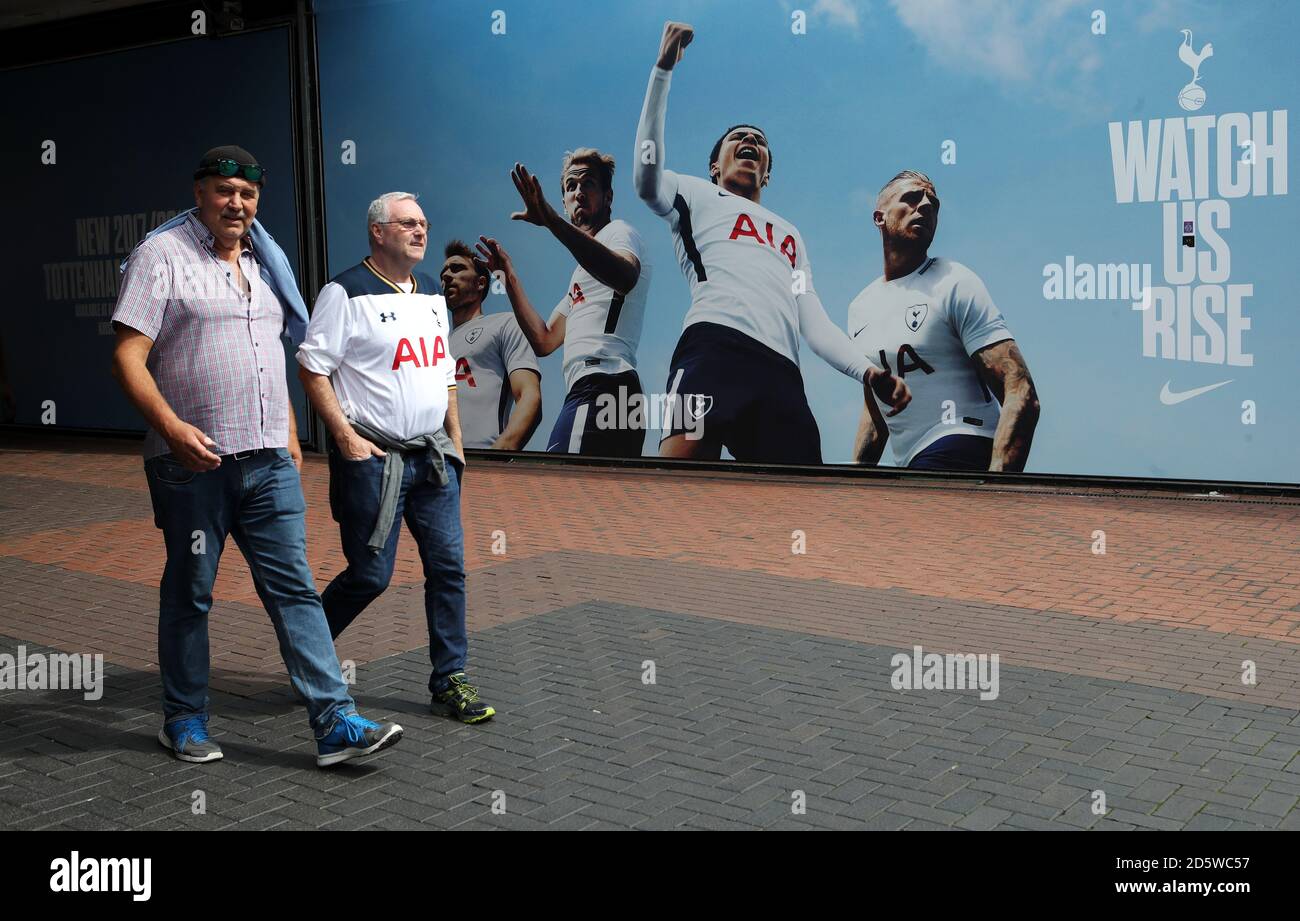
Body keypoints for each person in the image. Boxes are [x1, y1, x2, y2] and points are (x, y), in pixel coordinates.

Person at [111, 145, 402, 767]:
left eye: (246, 195)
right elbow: (128, 357)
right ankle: (184, 719)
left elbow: (273, 354)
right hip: (193, 462)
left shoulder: (267, 262)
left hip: (269, 460)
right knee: (192, 593)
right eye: (223, 191)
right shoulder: (160, 258)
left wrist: (292, 433)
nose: (235, 204)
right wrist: (171, 427)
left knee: (295, 588)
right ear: (199, 193)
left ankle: (335, 722)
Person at [633, 21, 911, 464]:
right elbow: (645, 179)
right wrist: (662, 70)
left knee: (800, 506)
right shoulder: (693, 193)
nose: (750, 141)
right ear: (713, 167)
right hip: (712, 348)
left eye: (759, 143)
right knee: (678, 491)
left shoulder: (790, 234)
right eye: (738, 138)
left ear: (767, 173)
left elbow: (813, 322)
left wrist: (868, 372)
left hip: (781, 372)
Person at [297, 193, 495, 724]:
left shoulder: (432, 291)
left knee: (449, 568)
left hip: (432, 461)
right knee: (370, 576)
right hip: (373, 461)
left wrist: (453, 440)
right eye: (407, 223)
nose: (419, 231)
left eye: (424, 223)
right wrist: (345, 439)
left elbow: (443, 371)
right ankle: (307, 652)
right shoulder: (344, 292)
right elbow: (314, 370)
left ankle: (450, 678)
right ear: (378, 233)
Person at [849, 170, 1040, 471]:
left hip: (963, 440)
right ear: (879, 218)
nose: (925, 206)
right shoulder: (860, 307)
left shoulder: (954, 281)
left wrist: (999, 490)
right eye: (912, 198)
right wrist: (853, 485)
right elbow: (876, 409)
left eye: (933, 204)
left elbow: (1021, 391)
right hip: (913, 462)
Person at [477, 147, 651, 456]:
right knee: (599, 502)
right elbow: (544, 340)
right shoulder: (582, 273)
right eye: (571, 187)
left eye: (588, 184)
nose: (579, 192)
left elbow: (625, 276)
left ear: (608, 196)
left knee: (561, 489)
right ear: (563, 202)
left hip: (602, 384)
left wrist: (552, 222)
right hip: (603, 390)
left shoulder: (619, 232)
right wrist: (508, 277)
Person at [440, 240, 542, 450]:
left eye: (457, 269)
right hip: (434, 470)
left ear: (480, 283)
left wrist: (497, 456)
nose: (447, 276)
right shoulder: (435, 347)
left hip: (480, 462)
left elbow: (529, 397)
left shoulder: (505, 324)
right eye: (443, 274)